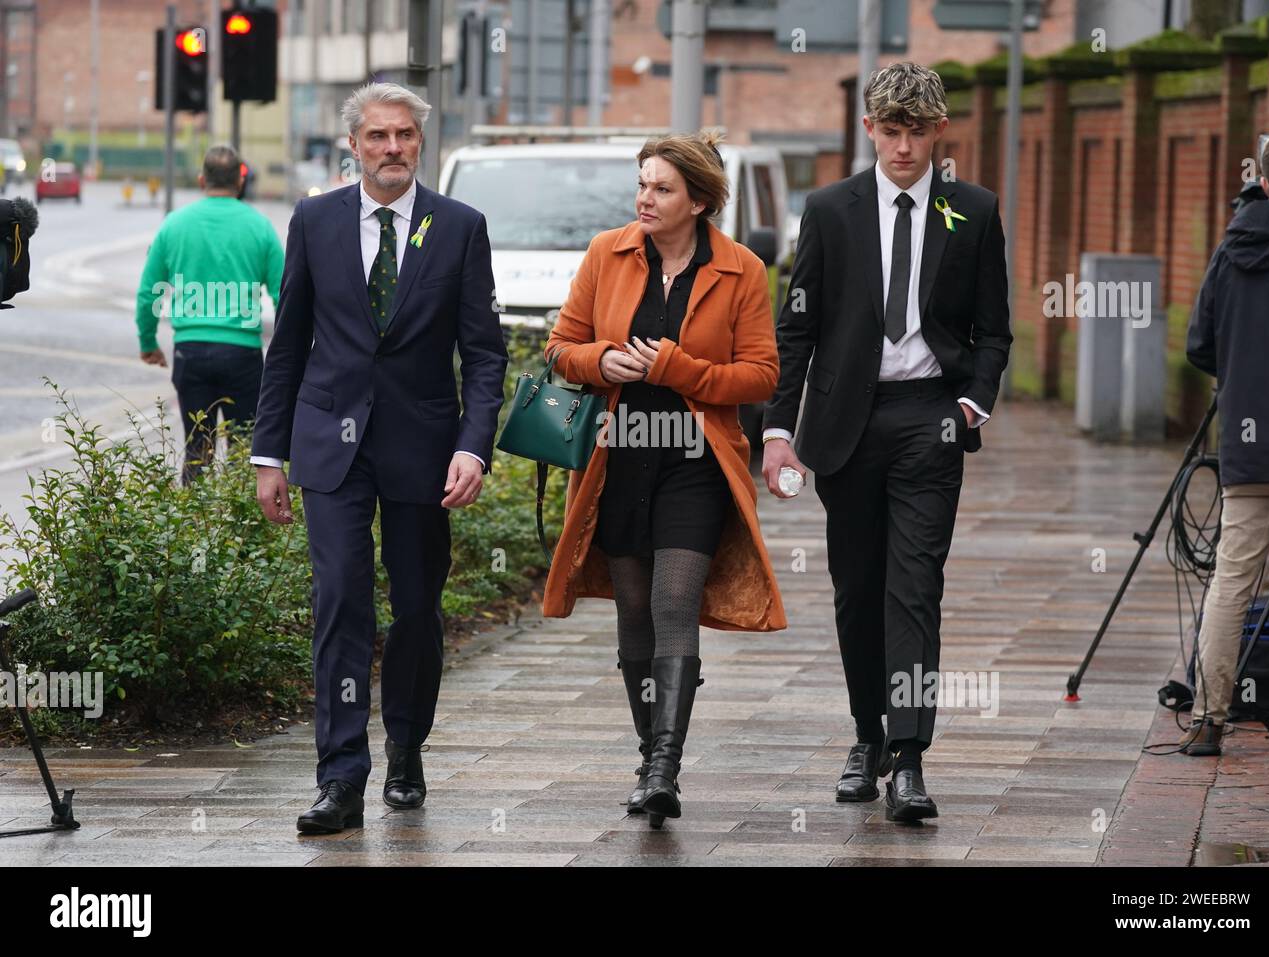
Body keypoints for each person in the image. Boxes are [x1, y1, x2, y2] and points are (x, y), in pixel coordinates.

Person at [251, 82, 507, 834]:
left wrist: (473, 447)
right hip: (328, 446)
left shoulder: (459, 226)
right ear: (353, 145)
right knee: (340, 601)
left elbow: (484, 355)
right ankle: (340, 775)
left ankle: (405, 743)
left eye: (404, 136)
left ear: (419, 143)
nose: (392, 148)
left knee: (418, 607)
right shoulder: (314, 219)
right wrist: (270, 454)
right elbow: (288, 342)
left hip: (425, 450)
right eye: (377, 137)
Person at [762, 62, 1011, 823]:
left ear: (940, 132)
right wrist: (777, 430)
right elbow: (798, 324)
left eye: (917, 131)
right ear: (869, 129)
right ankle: (865, 737)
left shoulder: (973, 210)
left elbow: (994, 329)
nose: (903, 146)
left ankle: (909, 757)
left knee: (915, 588)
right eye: (890, 130)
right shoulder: (830, 210)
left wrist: (972, 402)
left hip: (931, 418)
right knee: (856, 591)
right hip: (847, 426)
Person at [541, 130, 787, 826]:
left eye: (662, 188)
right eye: (643, 184)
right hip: (619, 458)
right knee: (634, 610)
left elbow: (762, 374)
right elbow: (561, 347)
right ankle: (651, 751)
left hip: (696, 461)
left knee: (675, 600)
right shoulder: (606, 253)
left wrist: (681, 370)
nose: (645, 198)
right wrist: (601, 361)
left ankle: (663, 765)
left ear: (699, 201)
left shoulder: (741, 270)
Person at [1183, 128, 1269, 756]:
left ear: (1265, 179)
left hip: (1253, 447)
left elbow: (1200, 344)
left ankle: (1209, 719)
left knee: (1232, 582)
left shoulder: (1233, 246)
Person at [135, 145, 284, 483]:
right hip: (243, 356)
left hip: (191, 352)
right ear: (240, 181)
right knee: (246, 453)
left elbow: (149, 293)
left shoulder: (174, 225)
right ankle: (241, 531)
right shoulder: (260, 227)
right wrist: (287, 354)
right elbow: (284, 297)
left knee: (197, 450)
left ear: (202, 180)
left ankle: (192, 527)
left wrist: (148, 341)